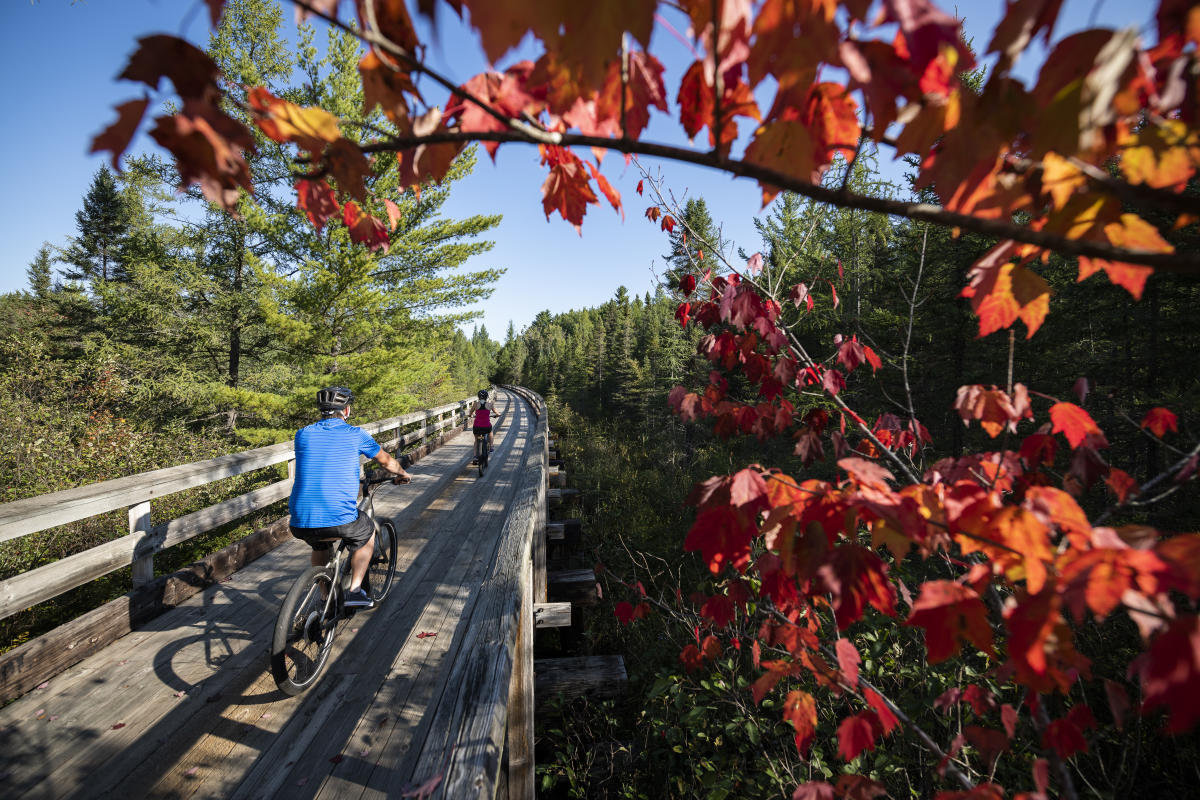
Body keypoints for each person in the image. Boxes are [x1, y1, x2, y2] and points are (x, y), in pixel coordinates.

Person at [288, 386, 411, 609]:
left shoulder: (302, 434)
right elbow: (385, 461)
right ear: (346, 410)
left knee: (319, 547)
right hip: (339, 518)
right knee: (367, 532)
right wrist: (402, 473)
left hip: (300, 520)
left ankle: (325, 596)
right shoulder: (356, 434)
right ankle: (354, 590)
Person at [471, 389, 499, 464]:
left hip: (477, 426)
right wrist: (497, 415)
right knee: (490, 431)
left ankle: (475, 457)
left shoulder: (475, 404)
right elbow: (497, 413)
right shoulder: (490, 404)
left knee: (476, 440)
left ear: (478, 397)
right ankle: (492, 446)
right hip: (486, 426)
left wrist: (471, 415)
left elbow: (470, 413)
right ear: (487, 397)